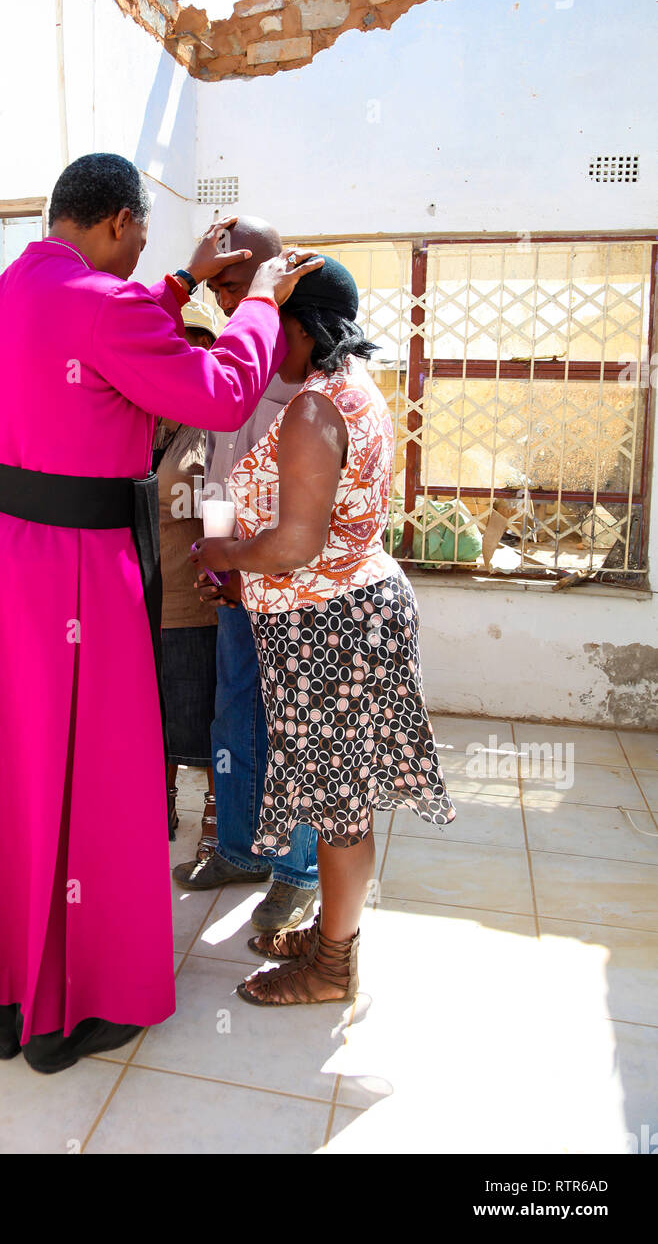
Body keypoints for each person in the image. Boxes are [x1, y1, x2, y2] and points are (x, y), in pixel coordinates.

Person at [0, 153, 323, 1073]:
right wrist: (257, 301)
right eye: (140, 237)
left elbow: (103, 330)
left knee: (12, 766)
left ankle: (3, 995)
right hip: (76, 566)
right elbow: (219, 392)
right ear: (113, 223)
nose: (145, 256)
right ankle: (73, 1006)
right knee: (91, 771)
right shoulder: (103, 307)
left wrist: (181, 276)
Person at [191, 256, 456, 1008]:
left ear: (303, 327)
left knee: (339, 804)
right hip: (344, 611)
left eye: (276, 324)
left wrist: (224, 553)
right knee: (339, 794)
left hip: (327, 624)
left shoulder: (313, 408)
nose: (267, 341)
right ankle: (333, 933)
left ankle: (334, 965)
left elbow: (293, 545)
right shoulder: (351, 391)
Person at [172, 217, 319, 937]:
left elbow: (308, 497)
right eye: (217, 285)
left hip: (292, 581)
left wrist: (252, 565)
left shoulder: (304, 360)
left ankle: (299, 873)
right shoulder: (240, 349)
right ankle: (238, 849)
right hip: (234, 579)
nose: (227, 299)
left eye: (237, 282)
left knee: (295, 728)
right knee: (237, 717)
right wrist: (218, 556)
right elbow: (223, 473)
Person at [154, 299, 220, 857]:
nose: (191, 356)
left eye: (202, 345)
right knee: (151, 716)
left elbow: (232, 505)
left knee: (203, 716)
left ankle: (217, 824)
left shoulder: (219, 423)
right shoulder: (138, 412)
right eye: (181, 344)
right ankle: (162, 803)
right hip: (135, 599)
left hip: (196, 600)